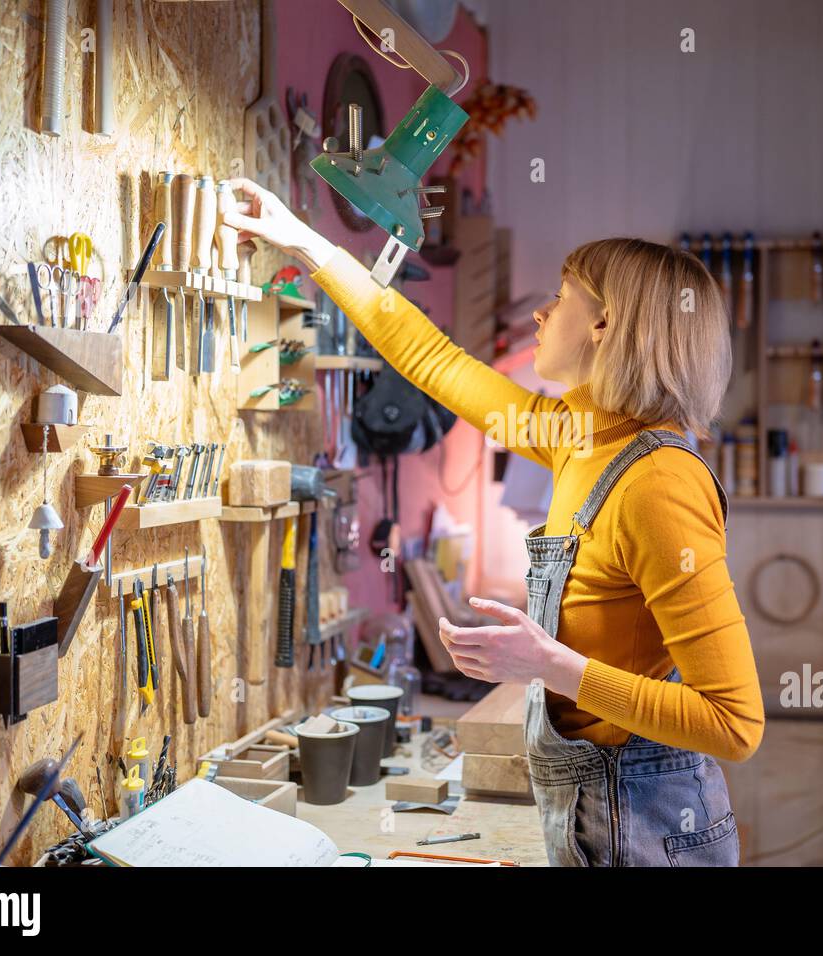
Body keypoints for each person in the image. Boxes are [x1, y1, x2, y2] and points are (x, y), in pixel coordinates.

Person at [225, 179, 765, 866]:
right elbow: (432, 359)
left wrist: (549, 665)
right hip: (595, 808)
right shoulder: (579, 437)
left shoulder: (659, 482)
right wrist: (304, 241)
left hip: (648, 826)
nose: (542, 315)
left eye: (562, 296)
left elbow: (735, 723)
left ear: (605, 325)